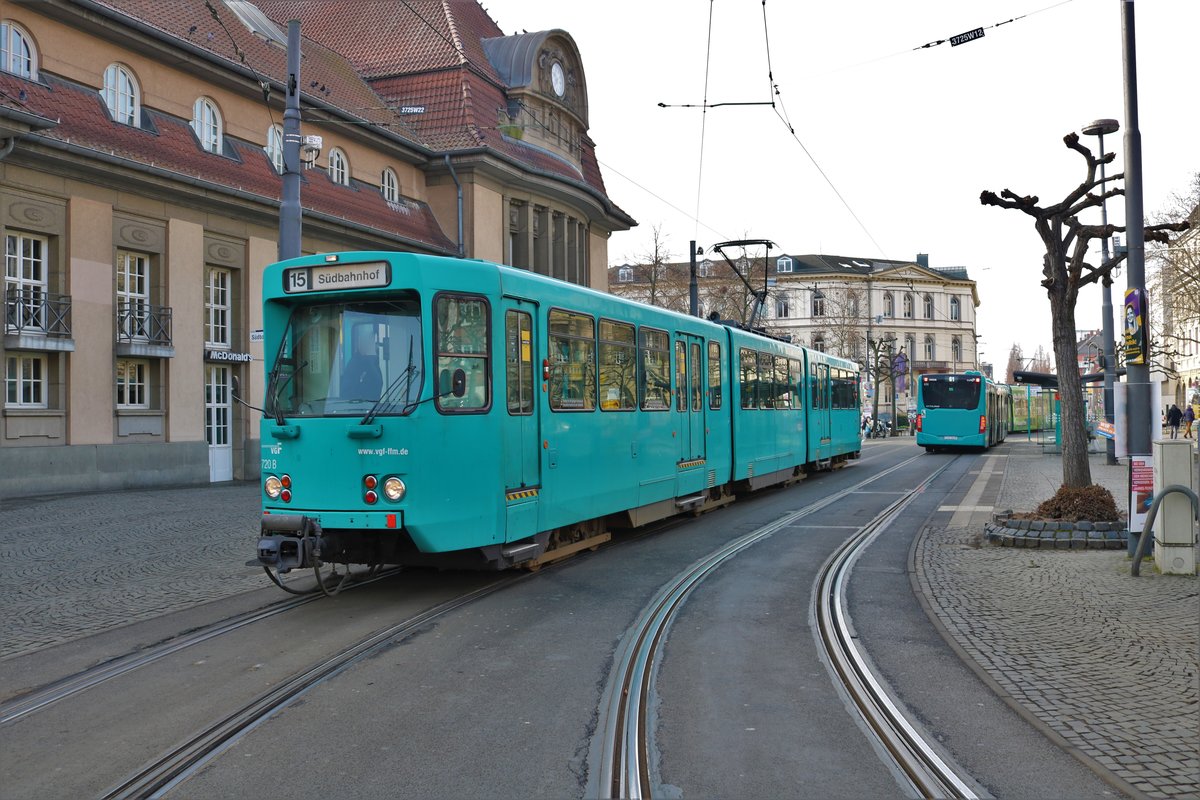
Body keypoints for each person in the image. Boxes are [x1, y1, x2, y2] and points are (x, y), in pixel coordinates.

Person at [341, 324, 382, 399]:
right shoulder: (355, 364)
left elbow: (378, 385)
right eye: (369, 341)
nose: (376, 346)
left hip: (373, 407)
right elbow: (347, 392)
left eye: (375, 342)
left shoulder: (374, 362)